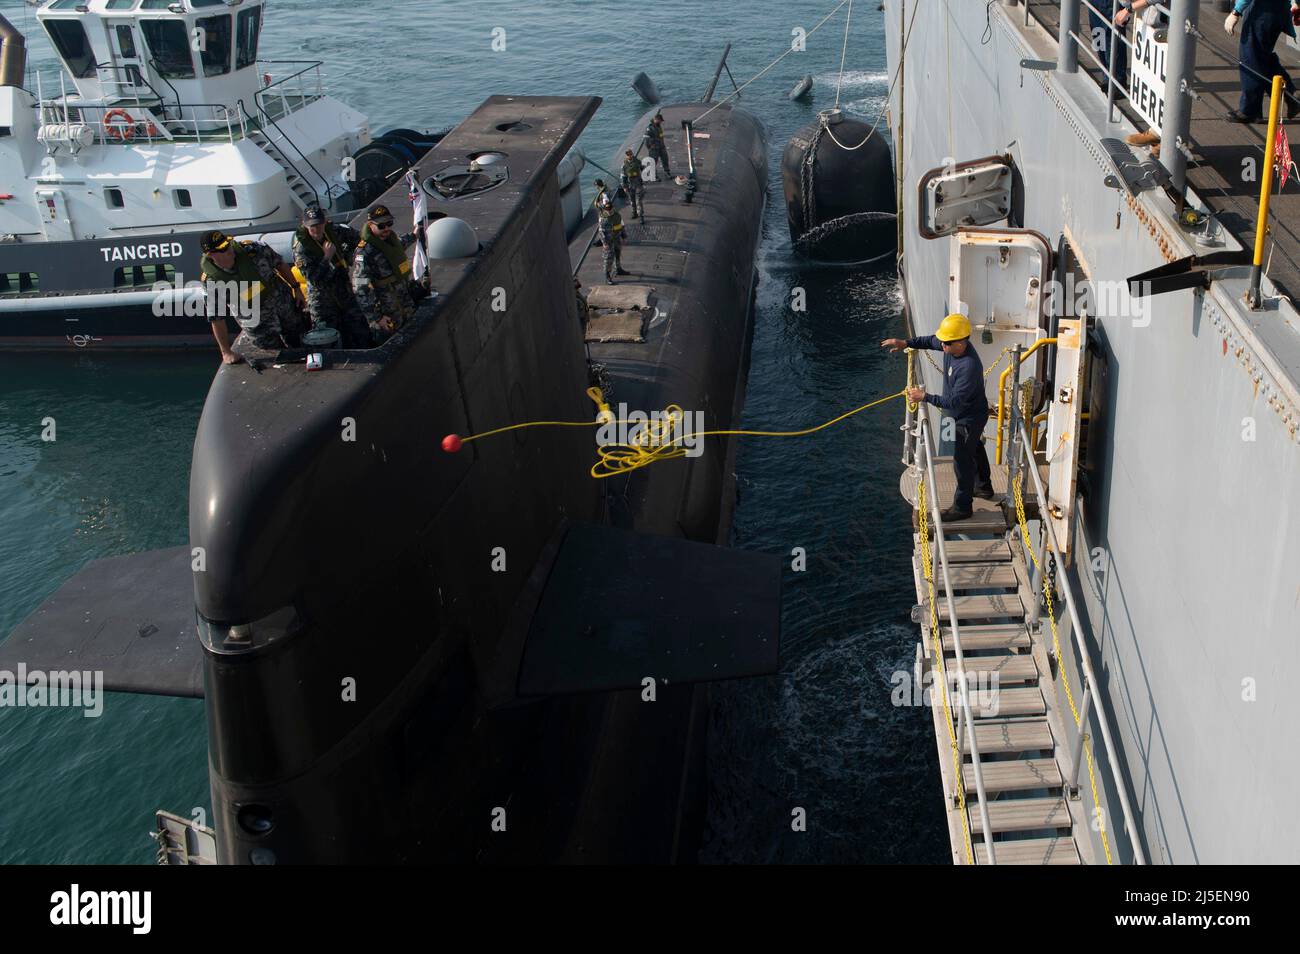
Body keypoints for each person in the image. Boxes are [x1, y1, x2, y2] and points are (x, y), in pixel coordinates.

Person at [882, 314, 995, 522]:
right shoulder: (949, 344)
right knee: (975, 447)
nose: (942, 345)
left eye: (947, 342)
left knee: (962, 461)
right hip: (968, 413)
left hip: (969, 417)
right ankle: (984, 487)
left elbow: (953, 402)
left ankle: (962, 507)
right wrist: (905, 343)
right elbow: (929, 340)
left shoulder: (968, 367)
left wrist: (924, 396)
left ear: (961, 342)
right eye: (943, 341)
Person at [199, 229, 306, 364]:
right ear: (210, 255)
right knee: (274, 356)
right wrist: (225, 352)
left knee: (300, 339)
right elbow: (216, 318)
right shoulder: (211, 282)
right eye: (223, 249)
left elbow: (279, 264)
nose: (229, 249)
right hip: (256, 321)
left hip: (283, 304)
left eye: (228, 244)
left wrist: (296, 288)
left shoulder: (254, 250)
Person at [291, 205, 370, 348]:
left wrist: (350, 255)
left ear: (324, 222)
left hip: (342, 288)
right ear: (305, 225)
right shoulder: (301, 248)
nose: (317, 229)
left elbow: (359, 239)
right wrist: (327, 258)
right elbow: (314, 279)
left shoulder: (334, 231)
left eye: (319, 224)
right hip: (322, 297)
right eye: (312, 226)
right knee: (326, 337)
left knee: (358, 327)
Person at [352, 204, 424, 344]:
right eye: (381, 226)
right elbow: (360, 289)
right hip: (387, 309)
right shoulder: (364, 252)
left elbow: (398, 247)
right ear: (370, 225)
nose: (386, 229)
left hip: (403, 301)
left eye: (389, 224)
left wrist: (414, 236)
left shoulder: (391, 240)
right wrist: (377, 317)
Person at [1225, 0, 1300, 123]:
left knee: (1250, 59)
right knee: (1262, 58)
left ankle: (1250, 110)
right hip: (1278, 11)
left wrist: (1235, 12)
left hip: (1261, 11)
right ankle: (1291, 95)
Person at [593, 179, 628, 284]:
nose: (609, 211)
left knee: (618, 253)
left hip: (616, 237)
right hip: (608, 240)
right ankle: (607, 275)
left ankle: (619, 269)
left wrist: (624, 236)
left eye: (610, 210)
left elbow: (621, 225)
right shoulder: (603, 219)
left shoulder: (616, 215)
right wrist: (604, 243)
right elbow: (601, 231)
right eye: (607, 210)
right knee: (608, 258)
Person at [643, 112, 671, 178]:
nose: (661, 122)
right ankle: (653, 175)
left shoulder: (658, 126)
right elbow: (646, 139)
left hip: (661, 146)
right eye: (660, 121)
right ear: (656, 119)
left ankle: (667, 171)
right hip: (654, 148)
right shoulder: (650, 128)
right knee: (653, 161)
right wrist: (650, 147)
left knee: (665, 159)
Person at [620, 149, 645, 220]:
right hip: (629, 185)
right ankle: (634, 212)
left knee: (638, 201)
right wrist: (624, 187)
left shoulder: (637, 162)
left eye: (630, 154)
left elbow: (642, 168)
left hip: (638, 184)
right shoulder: (624, 165)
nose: (629, 156)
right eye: (628, 155)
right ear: (626, 156)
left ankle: (641, 216)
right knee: (632, 200)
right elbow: (623, 176)